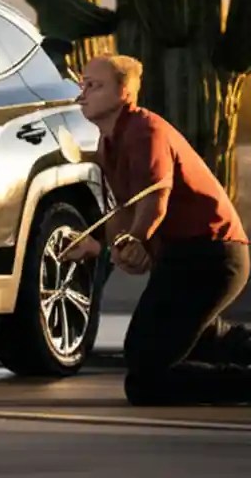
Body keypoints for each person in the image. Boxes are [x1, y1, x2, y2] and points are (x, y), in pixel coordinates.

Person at [62, 54, 251, 405]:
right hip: (187, 259)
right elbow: (123, 210)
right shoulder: (109, 143)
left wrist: (137, 238)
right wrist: (96, 244)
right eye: (82, 84)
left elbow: (154, 197)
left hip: (209, 255)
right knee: (200, 341)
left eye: (95, 85)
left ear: (124, 92)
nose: (83, 94)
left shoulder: (144, 131)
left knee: (146, 378)